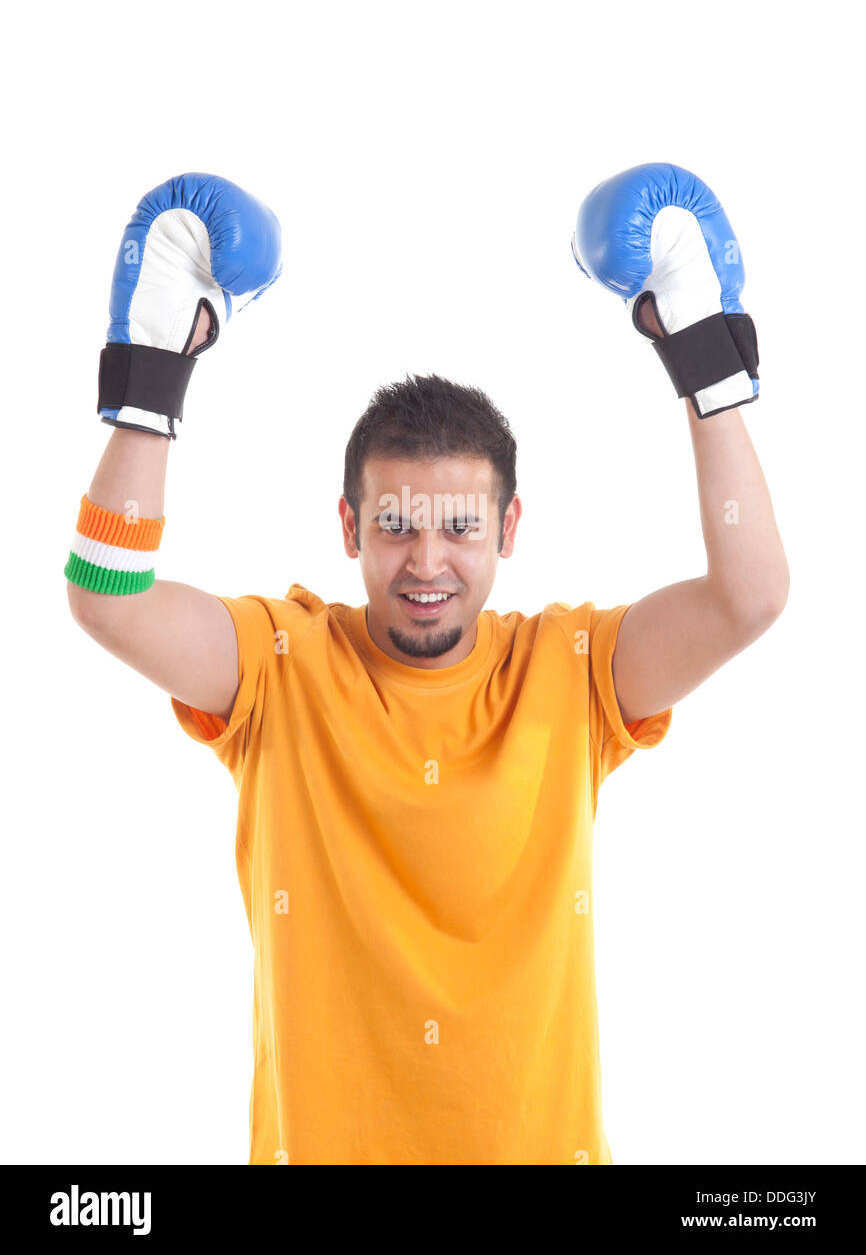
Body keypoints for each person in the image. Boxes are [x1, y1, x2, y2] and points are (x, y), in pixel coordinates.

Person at [66, 167, 789, 1165]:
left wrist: (700, 355)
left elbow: (747, 596)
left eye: (459, 527)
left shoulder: (567, 670)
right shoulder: (281, 666)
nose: (425, 561)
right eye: (397, 525)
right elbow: (108, 593)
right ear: (350, 528)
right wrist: (155, 370)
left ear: (507, 530)